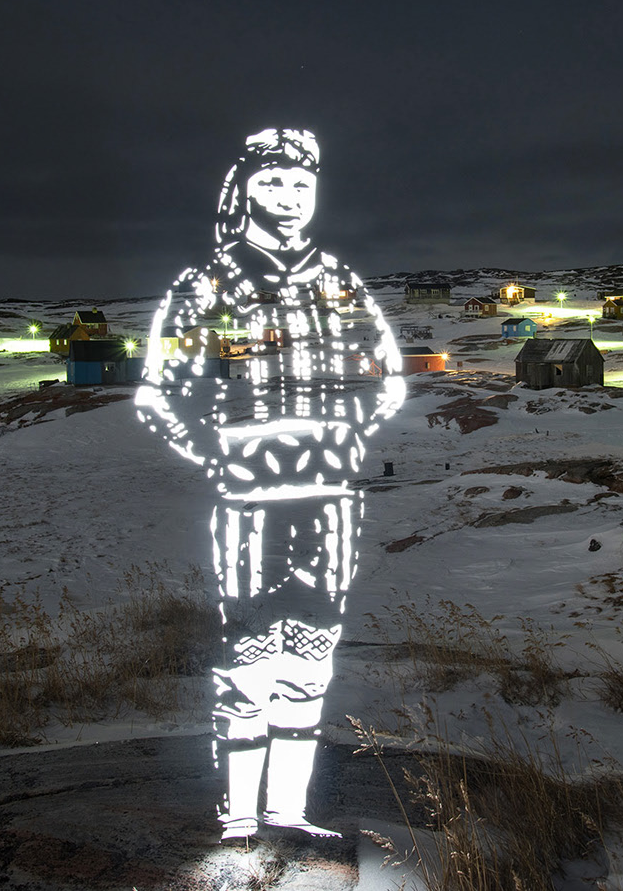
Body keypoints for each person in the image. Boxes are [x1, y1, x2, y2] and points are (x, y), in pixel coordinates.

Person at [136, 128, 403, 839]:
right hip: (250, 507)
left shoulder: (340, 284)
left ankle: (289, 810)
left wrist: (349, 430)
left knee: (313, 653)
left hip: (329, 499)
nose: (289, 197)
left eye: (302, 185)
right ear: (244, 188)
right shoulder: (208, 286)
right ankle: (239, 814)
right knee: (247, 654)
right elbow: (160, 394)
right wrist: (218, 454)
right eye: (274, 182)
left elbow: (387, 374)